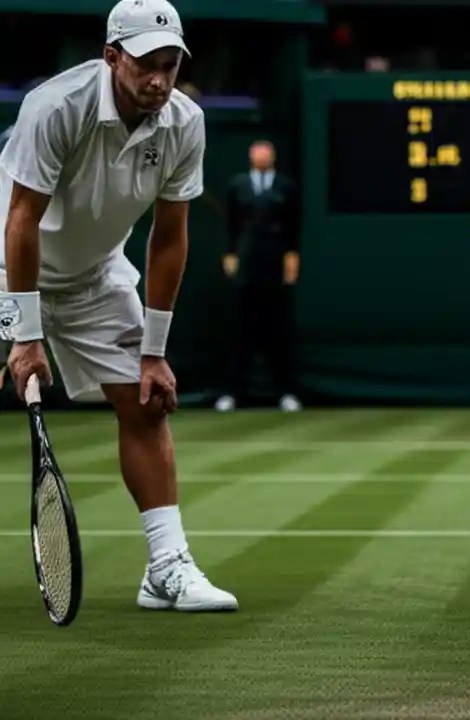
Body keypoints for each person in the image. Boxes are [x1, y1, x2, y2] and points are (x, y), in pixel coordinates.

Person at [0, 0, 237, 612]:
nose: (160, 79)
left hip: (94, 275)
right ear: (111, 57)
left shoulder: (185, 122)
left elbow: (169, 236)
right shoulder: (55, 107)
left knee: (145, 402)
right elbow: (21, 220)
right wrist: (24, 336)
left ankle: (166, 569)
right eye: (146, 65)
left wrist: (154, 352)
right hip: (6, 263)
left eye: (171, 64)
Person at [215, 140, 301, 413]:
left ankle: (285, 392)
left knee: (278, 331)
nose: (262, 156)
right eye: (258, 152)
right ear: (251, 156)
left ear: (273, 157)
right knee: (240, 332)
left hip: (275, 265)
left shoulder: (286, 187)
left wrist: (291, 258)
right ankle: (232, 392)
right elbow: (230, 224)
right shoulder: (237, 186)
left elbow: (294, 226)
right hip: (246, 266)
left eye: (267, 152)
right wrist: (231, 255)